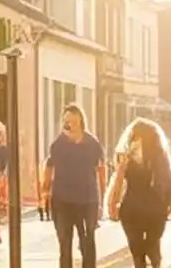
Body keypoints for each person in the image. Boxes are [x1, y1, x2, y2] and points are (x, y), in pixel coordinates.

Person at [106, 118, 171, 267]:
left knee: (145, 251)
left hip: (140, 210)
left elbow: (168, 181)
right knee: (148, 251)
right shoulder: (132, 160)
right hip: (145, 210)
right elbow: (169, 183)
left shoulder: (158, 160)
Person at [40, 103, 107, 268]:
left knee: (88, 241)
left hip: (87, 200)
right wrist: (45, 192)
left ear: (80, 122)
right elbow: (49, 166)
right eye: (66, 121)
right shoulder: (58, 144)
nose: (69, 124)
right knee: (65, 243)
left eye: (72, 121)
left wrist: (102, 198)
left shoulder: (92, 144)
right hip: (63, 201)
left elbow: (101, 169)